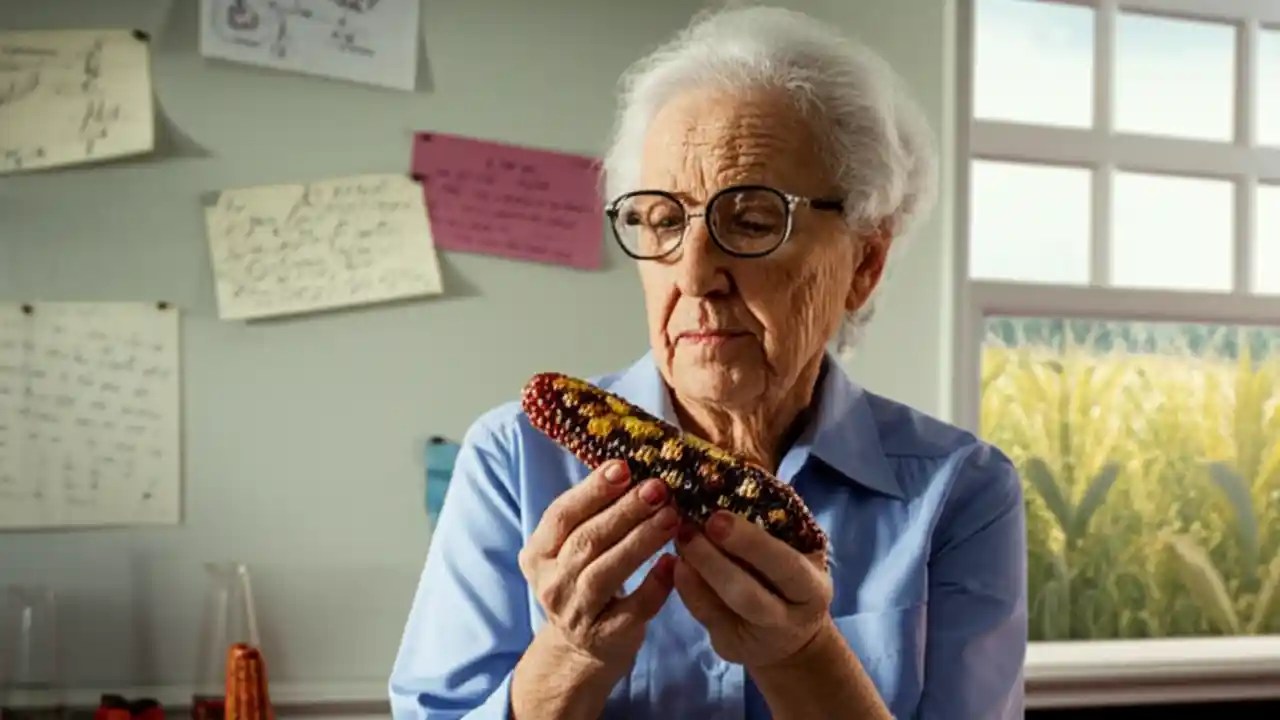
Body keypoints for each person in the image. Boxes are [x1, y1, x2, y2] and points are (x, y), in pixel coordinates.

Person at [389, 6, 1027, 719]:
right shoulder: (512, 461)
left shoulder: (962, 494)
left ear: (864, 263)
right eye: (662, 221)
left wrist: (803, 654)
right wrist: (570, 655)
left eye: (753, 221)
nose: (693, 275)